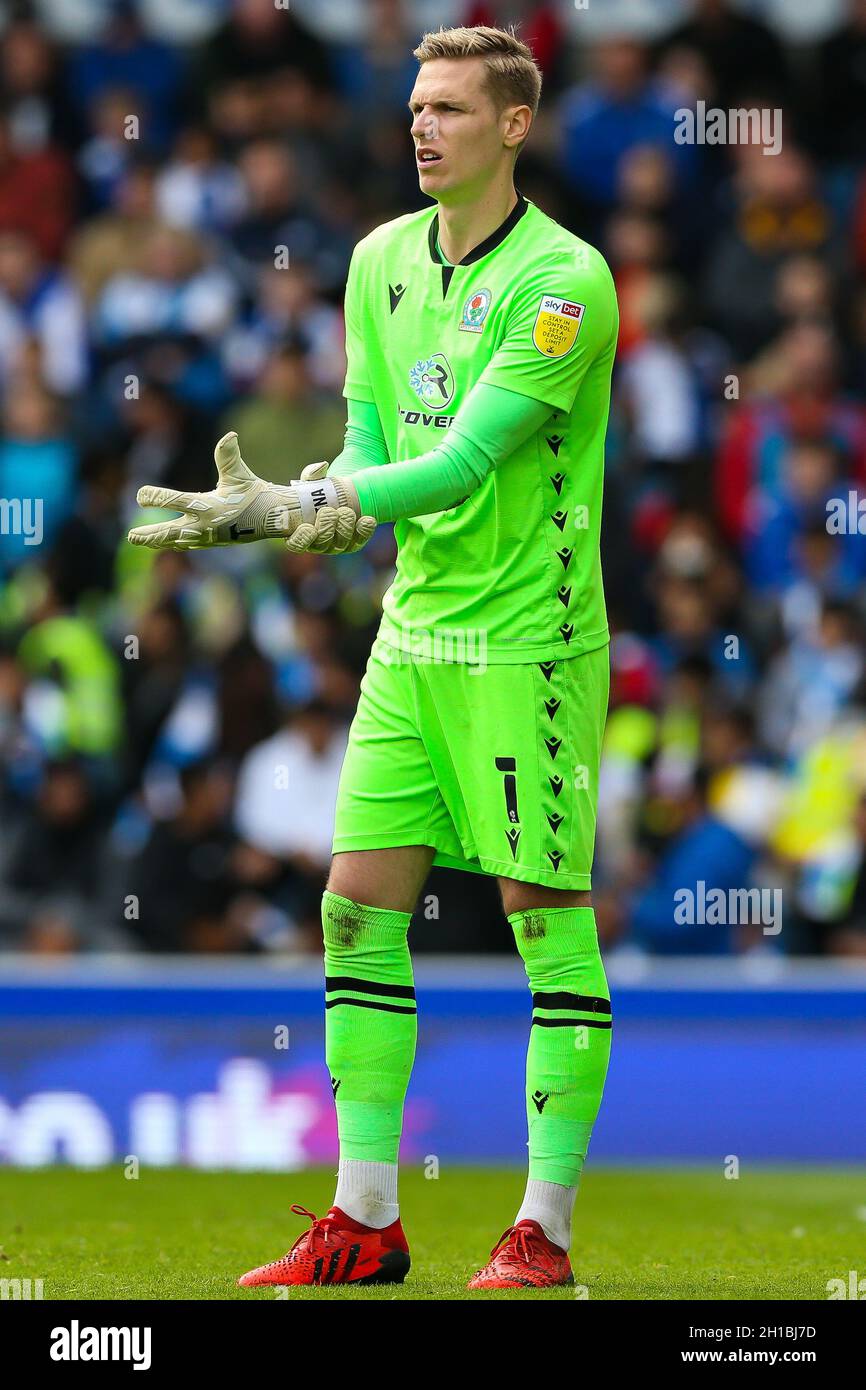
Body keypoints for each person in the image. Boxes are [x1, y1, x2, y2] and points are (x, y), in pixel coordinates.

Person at [128, 24, 619, 1292]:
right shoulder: (375, 261)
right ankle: (365, 1219)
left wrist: (311, 503)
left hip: (528, 639)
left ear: (513, 125)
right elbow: (367, 441)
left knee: (541, 920)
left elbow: (462, 463)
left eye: (448, 107)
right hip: (413, 635)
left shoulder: (564, 282)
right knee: (353, 906)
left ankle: (543, 1231)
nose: (421, 126)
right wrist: (312, 505)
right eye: (414, 106)